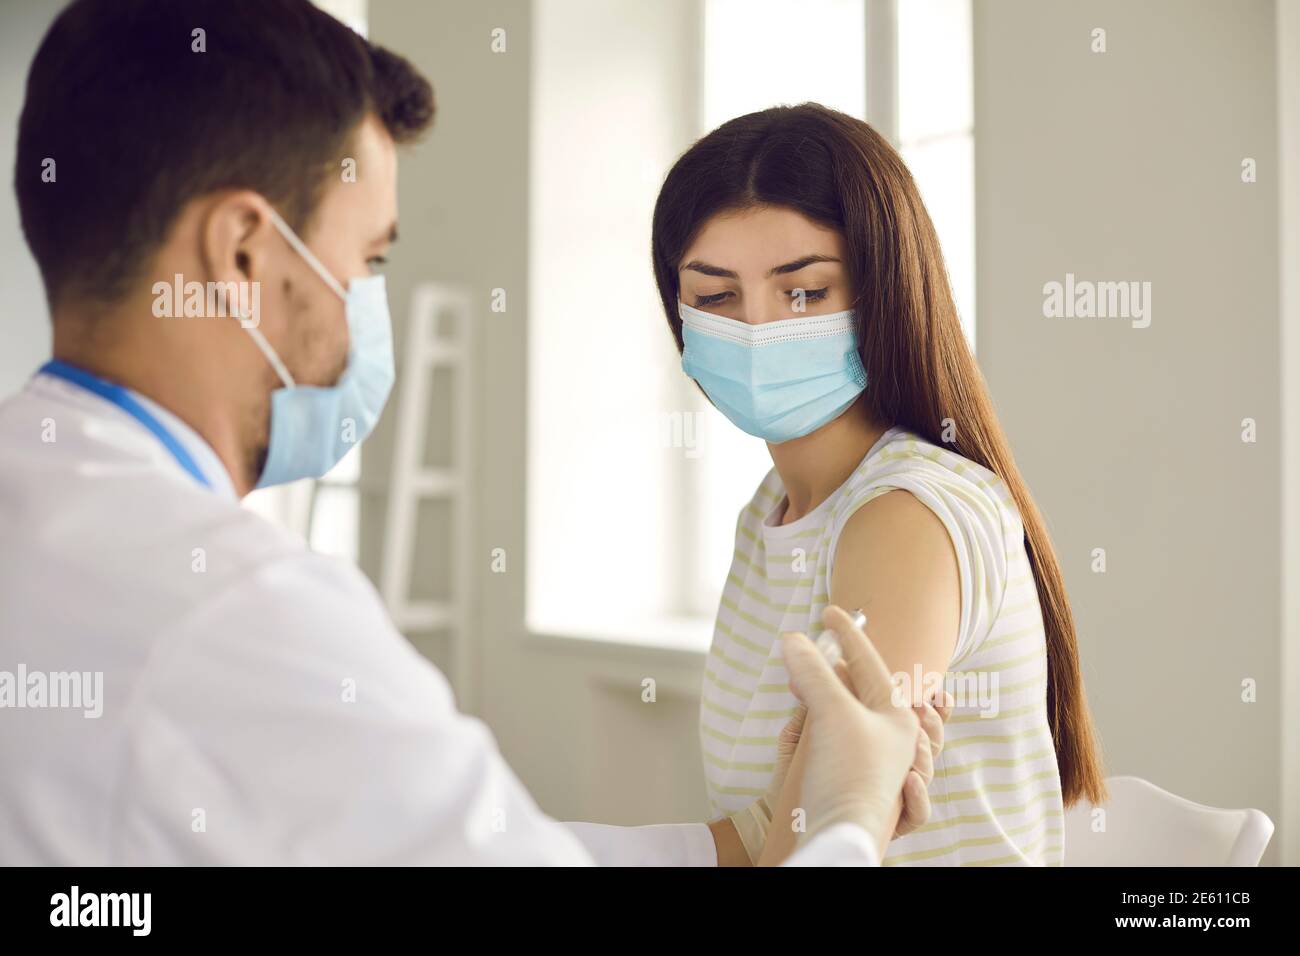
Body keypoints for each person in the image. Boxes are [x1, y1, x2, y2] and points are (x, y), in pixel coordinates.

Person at [0, 0, 919, 867]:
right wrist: (845, 821)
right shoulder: (240, 614)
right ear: (243, 255)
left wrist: (745, 841)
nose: (369, 303)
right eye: (368, 259)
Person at [648, 104, 1107, 865]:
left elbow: (807, 840)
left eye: (804, 291)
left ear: (884, 295)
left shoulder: (904, 517)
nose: (758, 327)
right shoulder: (770, 513)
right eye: (717, 296)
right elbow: (776, 829)